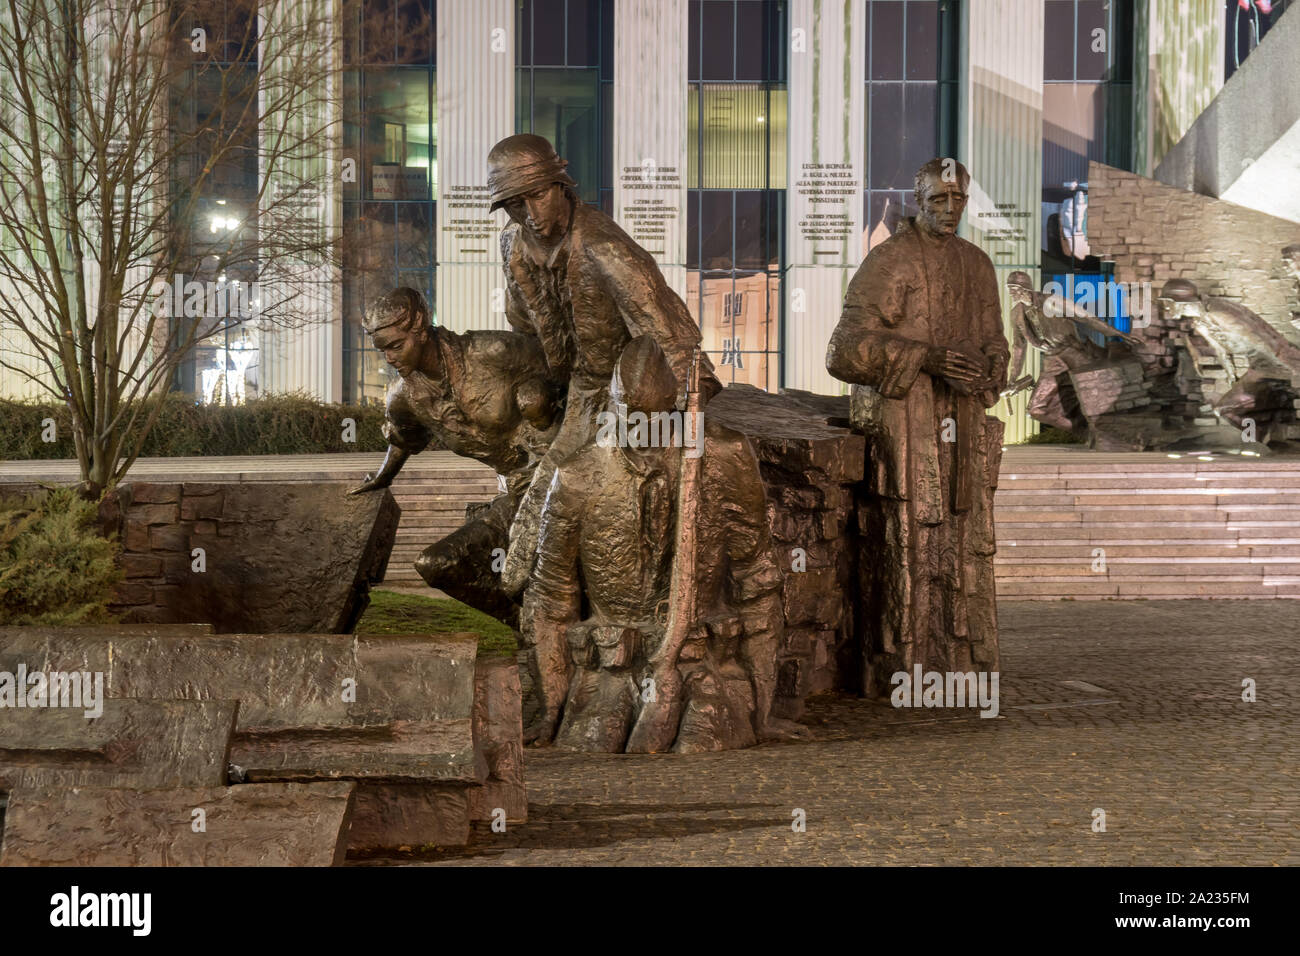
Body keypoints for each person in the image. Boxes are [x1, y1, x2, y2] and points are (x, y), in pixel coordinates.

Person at [525, 336, 801, 750]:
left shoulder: (724, 455)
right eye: (629, 419)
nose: (640, 434)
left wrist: (762, 712)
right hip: (605, 677)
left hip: (703, 669)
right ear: (611, 409)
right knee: (595, 740)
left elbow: (757, 581)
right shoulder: (577, 475)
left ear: (672, 409)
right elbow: (552, 597)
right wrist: (551, 710)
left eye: (651, 421)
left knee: (699, 741)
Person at [485, 134, 722, 602]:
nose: (530, 215)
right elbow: (522, 325)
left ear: (561, 185)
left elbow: (675, 339)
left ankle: (535, 595)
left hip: (615, 395)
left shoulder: (604, 249)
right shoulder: (512, 246)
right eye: (515, 204)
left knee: (554, 488)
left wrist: (679, 414)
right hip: (564, 387)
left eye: (537, 196)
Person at [825, 157, 1009, 694]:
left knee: (966, 542)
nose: (949, 211)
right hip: (908, 425)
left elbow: (995, 337)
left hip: (963, 423)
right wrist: (925, 358)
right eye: (937, 202)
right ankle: (904, 664)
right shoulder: (890, 261)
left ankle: (962, 663)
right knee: (908, 541)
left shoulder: (977, 265)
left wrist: (991, 365)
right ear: (917, 200)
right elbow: (842, 352)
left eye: (957, 202)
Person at [349, 287, 560, 625]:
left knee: (529, 570)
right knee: (436, 564)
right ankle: (528, 626)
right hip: (517, 493)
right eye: (382, 350)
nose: (389, 358)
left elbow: (570, 375)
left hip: (560, 478)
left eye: (395, 346)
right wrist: (383, 477)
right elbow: (404, 440)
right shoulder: (405, 399)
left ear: (420, 326)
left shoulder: (494, 351)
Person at [1005, 270, 1141, 431]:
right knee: (1035, 409)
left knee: (1095, 397)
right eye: (1008, 288)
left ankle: (1109, 428)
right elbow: (1018, 347)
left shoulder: (1052, 301)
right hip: (1052, 361)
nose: (1010, 292)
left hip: (1074, 353)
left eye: (1013, 288)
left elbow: (1086, 317)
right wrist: (1012, 378)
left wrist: (1118, 333)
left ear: (1024, 288)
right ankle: (1083, 430)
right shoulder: (1016, 314)